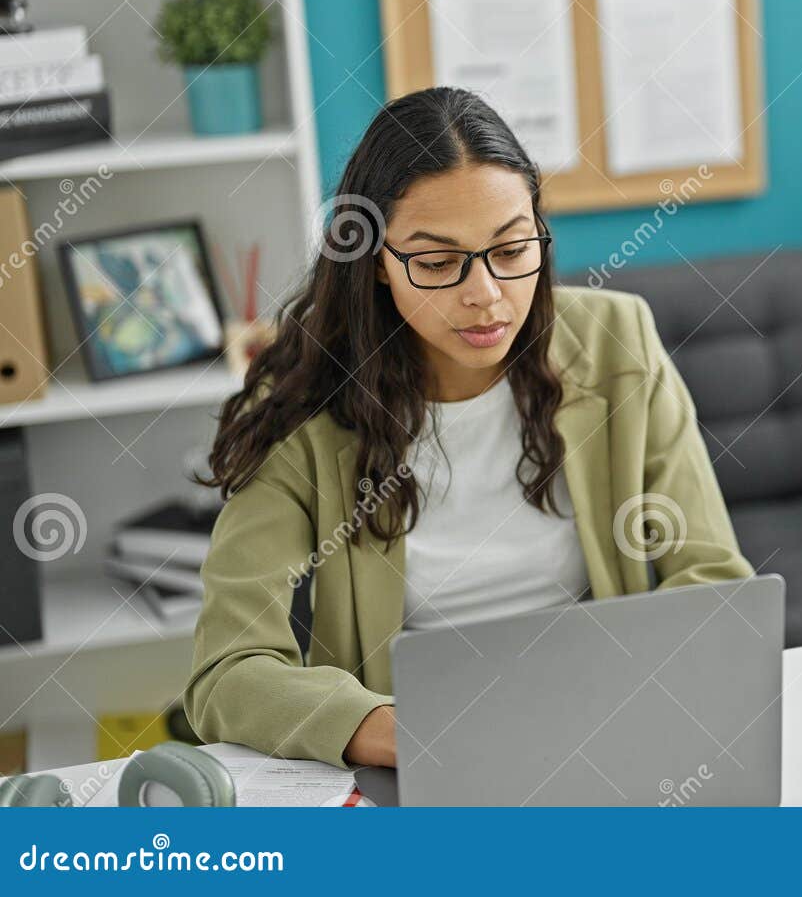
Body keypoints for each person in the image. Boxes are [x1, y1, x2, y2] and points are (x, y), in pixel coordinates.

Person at [185, 87, 751, 768]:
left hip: (609, 731)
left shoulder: (616, 340)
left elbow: (714, 580)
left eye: (511, 250)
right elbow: (229, 669)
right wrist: (404, 733)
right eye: (436, 262)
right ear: (376, 264)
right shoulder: (305, 404)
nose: (484, 293)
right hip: (427, 757)